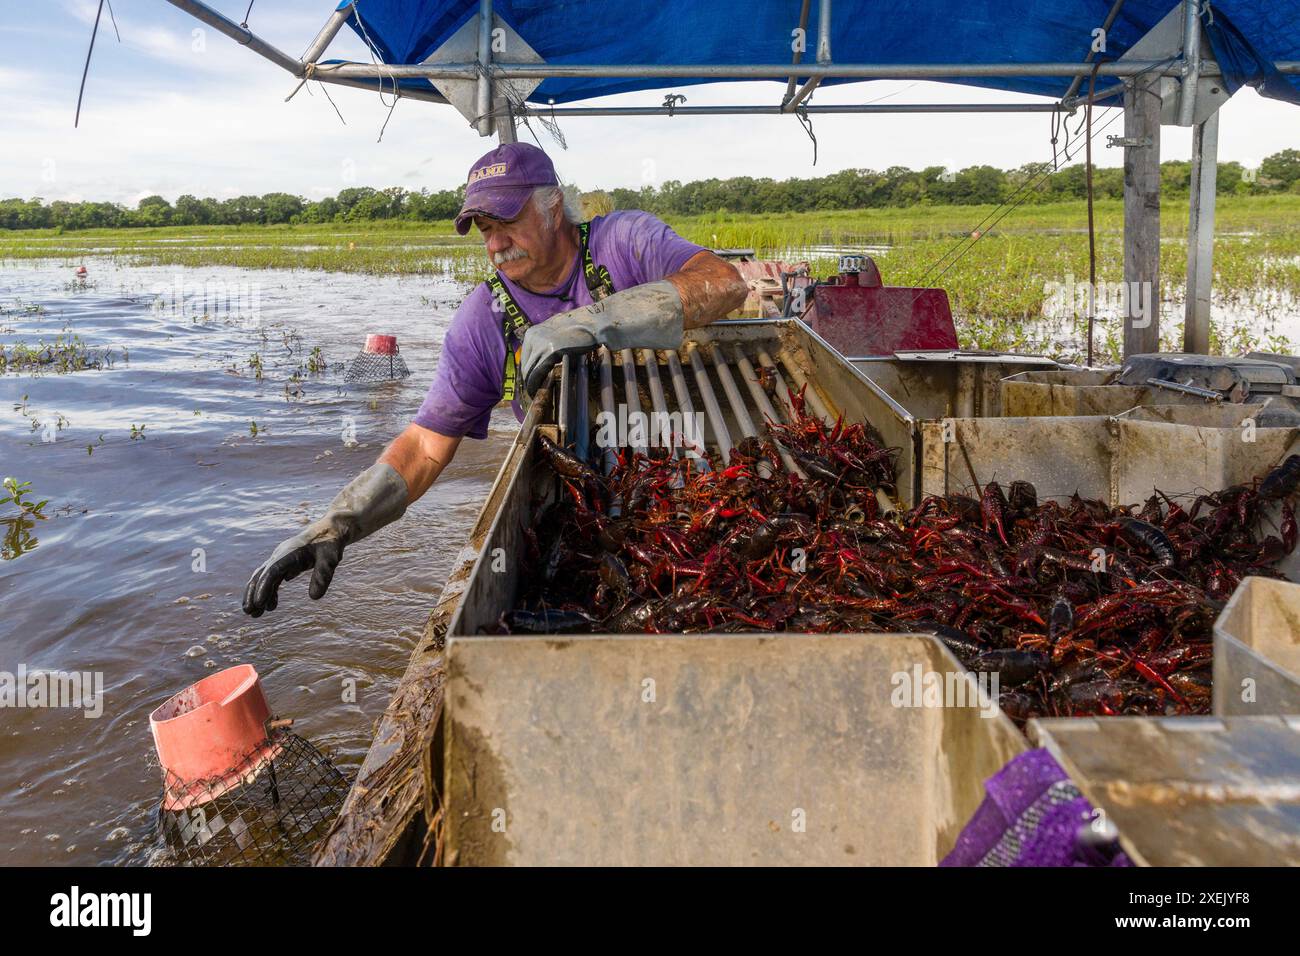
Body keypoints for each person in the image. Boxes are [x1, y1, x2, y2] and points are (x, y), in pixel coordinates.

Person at [243, 142, 747, 616]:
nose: (497, 244)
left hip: (689, 468)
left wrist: (594, 321)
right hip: (580, 500)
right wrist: (341, 522)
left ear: (553, 207)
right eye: (484, 229)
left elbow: (725, 283)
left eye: (506, 221)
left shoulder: (623, 242)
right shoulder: (483, 321)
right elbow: (425, 446)